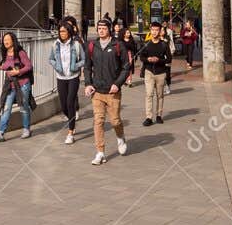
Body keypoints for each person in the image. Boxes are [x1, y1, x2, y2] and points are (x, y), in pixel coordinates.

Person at [83, 18, 130, 166]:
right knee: (98, 121)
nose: (101, 30)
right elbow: (87, 67)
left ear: (109, 29)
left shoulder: (118, 45)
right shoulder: (92, 45)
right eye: (99, 28)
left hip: (112, 91)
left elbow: (126, 67)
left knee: (115, 120)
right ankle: (100, 152)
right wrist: (88, 84)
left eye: (104, 28)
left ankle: (120, 136)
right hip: (97, 91)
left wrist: (118, 83)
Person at [0, 31, 35, 141]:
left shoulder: (20, 52)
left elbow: (29, 66)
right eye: (4, 40)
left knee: (23, 107)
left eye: (7, 39)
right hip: (10, 85)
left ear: (13, 40)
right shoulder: (6, 53)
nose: (5, 41)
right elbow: (7, 66)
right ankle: (0, 132)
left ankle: (26, 129)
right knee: (6, 108)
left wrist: (18, 72)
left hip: (23, 84)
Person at [49, 21, 85, 145]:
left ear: (69, 32)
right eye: (60, 31)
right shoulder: (55, 45)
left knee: (70, 102)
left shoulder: (76, 45)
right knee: (64, 105)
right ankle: (71, 119)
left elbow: (84, 60)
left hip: (73, 77)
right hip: (61, 77)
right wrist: (57, 66)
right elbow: (51, 59)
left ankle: (70, 132)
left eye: (64, 31)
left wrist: (75, 66)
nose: (61, 33)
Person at [136, 20, 173, 126]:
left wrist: (159, 60)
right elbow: (141, 57)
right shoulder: (146, 44)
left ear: (160, 31)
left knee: (160, 95)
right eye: (153, 30)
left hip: (161, 72)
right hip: (149, 72)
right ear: (150, 30)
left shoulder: (164, 44)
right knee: (149, 94)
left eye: (157, 30)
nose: (154, 32)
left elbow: (169, 59)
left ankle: (159, 115)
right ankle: (148, 117)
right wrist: (148, 59)